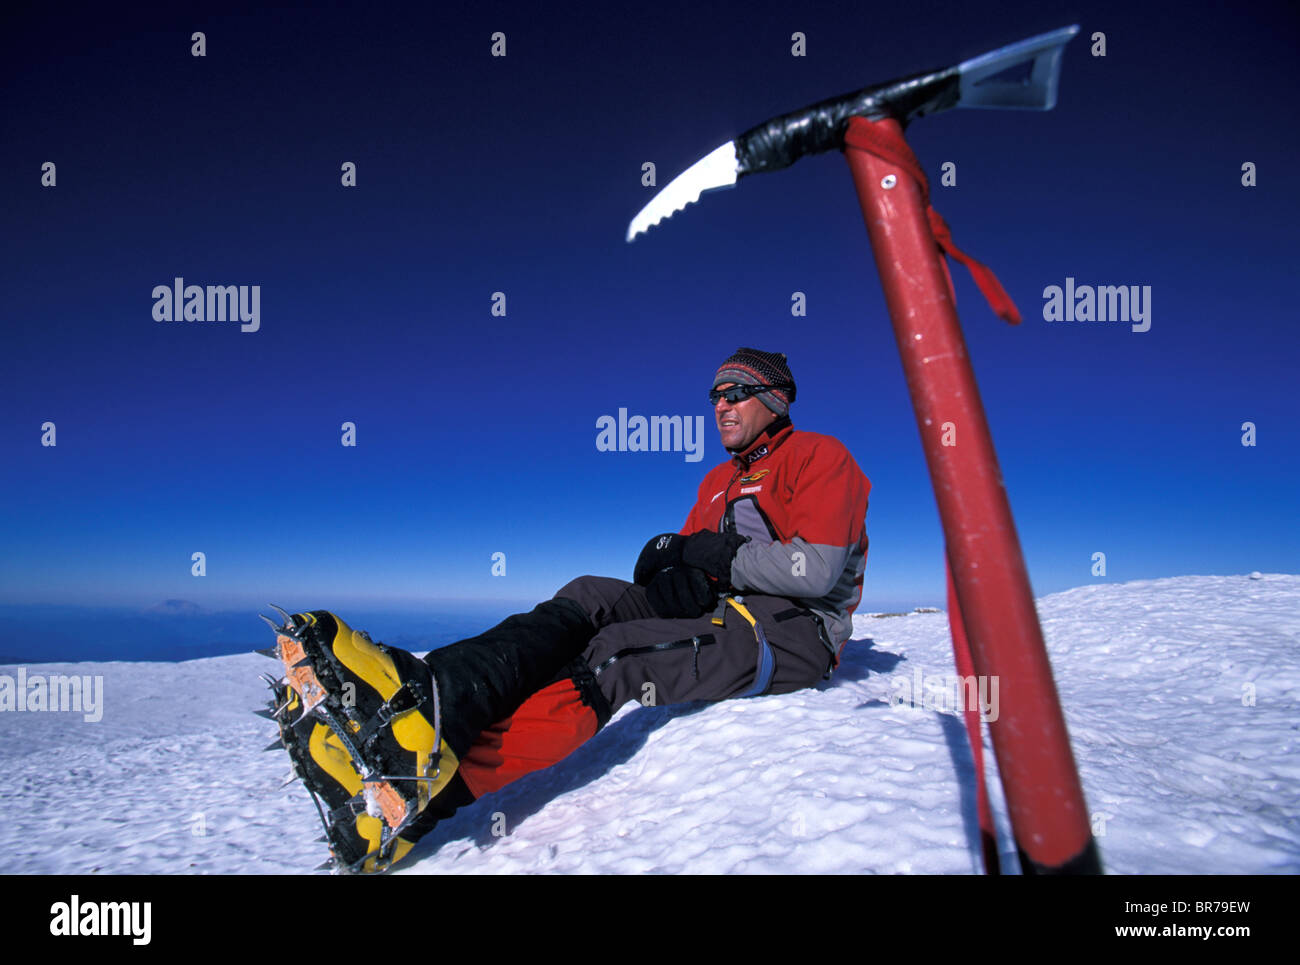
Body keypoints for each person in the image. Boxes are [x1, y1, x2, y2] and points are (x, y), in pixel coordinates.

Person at [263, 348, 871, 872]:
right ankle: (430, 693)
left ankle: (425, 796)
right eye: (714, 395)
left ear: (775, 398)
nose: (720, 405)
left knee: (618, 656)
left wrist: (713, 556)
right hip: (729, 608)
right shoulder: (715, 480)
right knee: (590, 593)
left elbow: (811, 572)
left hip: (795, 632)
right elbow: (694, 564)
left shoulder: (819, 456)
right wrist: (680, 568)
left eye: (736, 392)